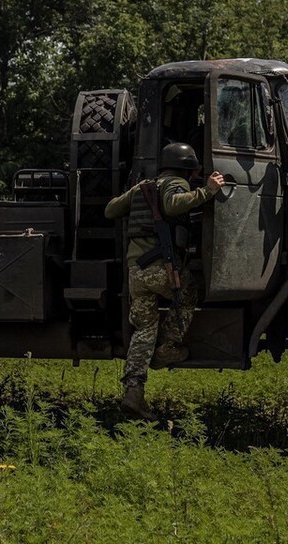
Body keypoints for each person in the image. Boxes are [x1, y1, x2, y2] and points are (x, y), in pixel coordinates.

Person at [104, 142, 225, 419]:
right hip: (161, 268)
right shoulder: (176, 183)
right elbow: (172, 205)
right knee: (189, 294)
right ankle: (166, 348)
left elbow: (111, 210)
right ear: (186, 167)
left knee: (144, 327)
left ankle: (134, 391)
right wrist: (207, 190)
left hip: (136, 271)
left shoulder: (144, 187)